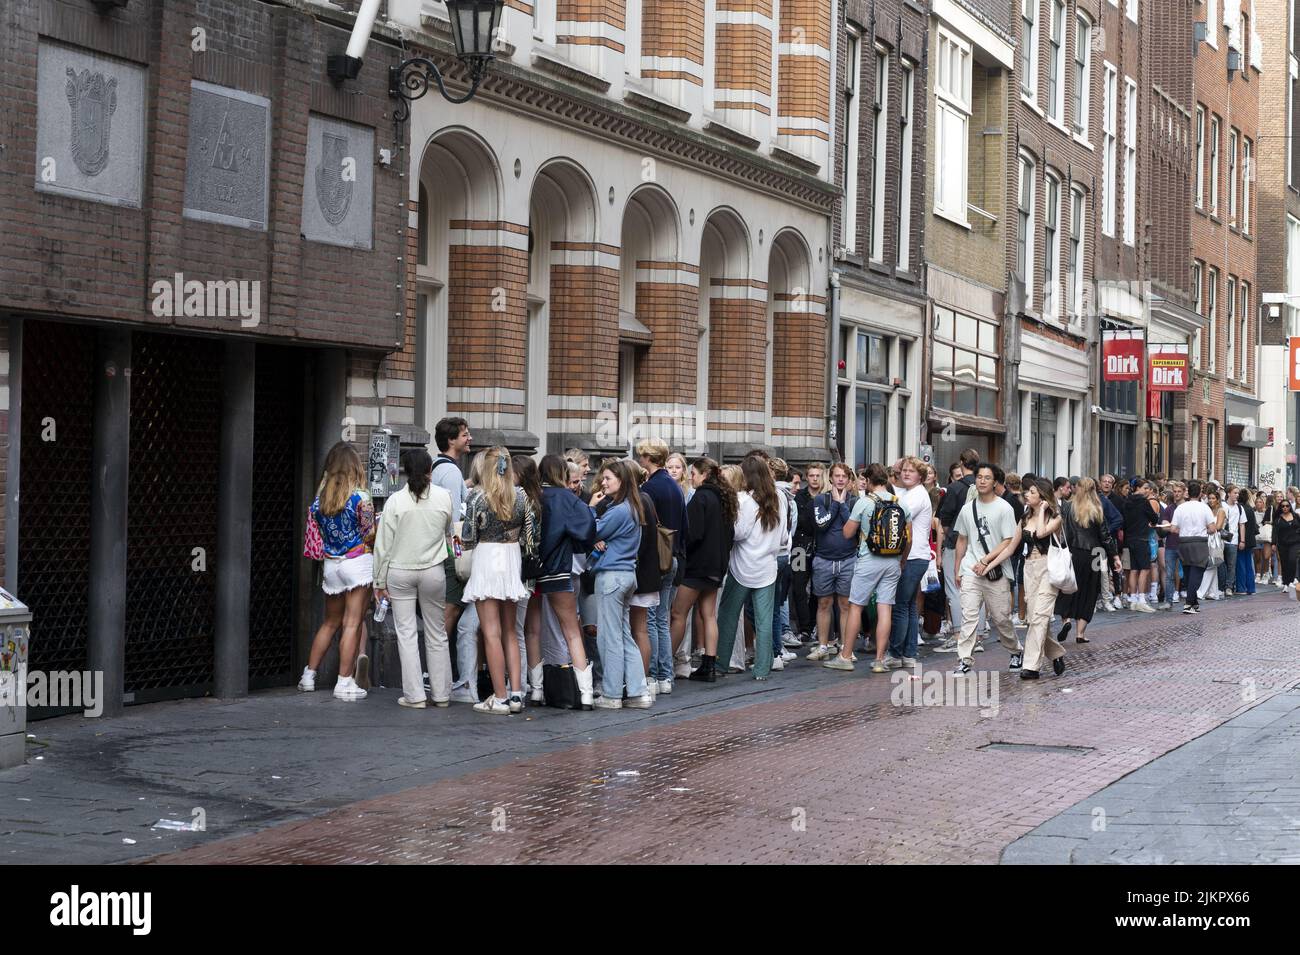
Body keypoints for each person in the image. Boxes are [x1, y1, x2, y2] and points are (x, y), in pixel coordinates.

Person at [373, 448, 455, 708]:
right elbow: (449, 532)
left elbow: (383, 545)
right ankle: (441, 694)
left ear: (405, 471)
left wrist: (379, 581)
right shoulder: (444, 497)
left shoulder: (395, 501)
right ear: (430, 469)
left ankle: (414, 695)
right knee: (437, 632)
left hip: (400, 570)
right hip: (433, 570)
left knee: (406, 633)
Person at [462, 447, 536, 715]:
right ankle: (516, 694)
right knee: (510, 631)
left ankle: (500, 697)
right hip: (511, 559)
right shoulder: (521, 495)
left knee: (490, 633)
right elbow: (531, 536)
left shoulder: (477, 496)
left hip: (487, 558)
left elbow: (468, 537)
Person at [301, 442, 376, 701]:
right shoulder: (361, 498)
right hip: (357, 562)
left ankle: (308, 676)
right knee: (352, 623)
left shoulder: (319, 500)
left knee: (330, 622)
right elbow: (369, 534)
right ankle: (344, 681)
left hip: (331, 565)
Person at [824, 463, 908, 673]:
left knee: (856, 606)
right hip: (892, 560)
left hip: (869, 559)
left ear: (869, 481)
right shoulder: (900, 503)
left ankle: (845, 657)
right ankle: (880, 660)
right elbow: (909, 539)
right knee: (885, 608)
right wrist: (902, 561)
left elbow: (847, 533)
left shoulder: (864, 502)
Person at [528, 454, 597, 708]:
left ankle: (537, 691)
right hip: (558, 569)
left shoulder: (531, 495)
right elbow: (587, 529)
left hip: (532, 571)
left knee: (532, 630)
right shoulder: (567, 498)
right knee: (571, 631)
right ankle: (585, 693)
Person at [588, 459, 653, 709]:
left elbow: (590, 530)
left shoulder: (618, 510)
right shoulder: (632, 507)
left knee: (610, 637)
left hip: (612, 577)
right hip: (627, 575)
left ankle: (612, 694)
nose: (603, 483)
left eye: (608, 479)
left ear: (622, 481)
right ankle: (638, 692)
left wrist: (591, 508)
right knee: (624, 636)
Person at [713, 457, 784, 681]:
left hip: (743, 566)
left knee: (728, 615)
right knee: (764, 621)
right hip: (767, 566)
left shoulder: (745, 500)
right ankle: (762, 668)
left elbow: (739, 533)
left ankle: (721, 662)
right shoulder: (779, 498)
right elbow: (784, 536)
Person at [950, 462, 1022, 675]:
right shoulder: (967, 509)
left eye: (987, 478)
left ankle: (1015, 651)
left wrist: (986, 561)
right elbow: (962, 539)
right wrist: (958, 568)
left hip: (996, 571)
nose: (982, 481)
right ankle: (964, 659)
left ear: (995, 482)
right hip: (971, 569)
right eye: (979, 477)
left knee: (1001, 618)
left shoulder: (1004, 508)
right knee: (969, 616)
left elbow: (1008, 541)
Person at [670, 458, 736, 682]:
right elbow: (730, 535)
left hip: (697, 567)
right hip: (717, 566)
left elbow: (692, 534)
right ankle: (709, 665)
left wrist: (681, 549)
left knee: (678, 614)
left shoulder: (701, 497)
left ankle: (663, 664)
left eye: (694, 473)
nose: (691, 477)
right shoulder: (725, 498)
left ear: (704, 475)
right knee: (708, 615)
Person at [638, 439, 687, 694]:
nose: (640, 459)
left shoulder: (649, 487)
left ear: (648, 458)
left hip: (655, 558)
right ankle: (666, 676)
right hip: (673, 557)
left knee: (651, 619)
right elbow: (685, 526)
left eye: (641, 456)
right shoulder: (676, 487)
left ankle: (655, 675)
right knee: (662, 618)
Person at [432, 417, 471, 695]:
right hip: (450, 549)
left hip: (437, 546)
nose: (469, 438)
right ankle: (437, 671)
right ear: (451, 440)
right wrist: (458, 555)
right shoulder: (452, 472)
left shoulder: (438, 468)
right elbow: (455, 520)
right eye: (465, 435)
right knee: (452, 608)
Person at [1055, 478, 1121, 644]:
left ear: (1077, 488)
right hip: (1094, 554)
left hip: (1073, 553)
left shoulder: (1068, 507)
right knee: (1090, 591)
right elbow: (1105, 536)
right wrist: (1114, 556)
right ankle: (1080, 633)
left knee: (1068, 588)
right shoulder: (1097, 508)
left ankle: (1066, 620)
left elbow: (1063, 532)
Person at [807, 462, 858, 661]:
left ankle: (845, 647)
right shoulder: (821, 499)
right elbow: (821, 524)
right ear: (830, 478)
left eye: (844, 476)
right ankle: (823, 645)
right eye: (837, 476)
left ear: (849, 479)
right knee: (824, 603)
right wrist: (836, 503)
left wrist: (842, 504)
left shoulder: (854, 501)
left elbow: (852, 525)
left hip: (848, 559)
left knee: (845, 604)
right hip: (824, 559)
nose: (840, 479)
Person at [886, 456, 932, 668]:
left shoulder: (917, 495)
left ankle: (896, 654)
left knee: (901, 606)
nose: (905, 473)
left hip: (913, 557)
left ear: (920, 476)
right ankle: (909, 654)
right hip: (916, 555)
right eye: (903, 470)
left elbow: (897, 515)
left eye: (911, 471)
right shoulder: (909, 492)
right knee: (910, 606)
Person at [1018, 478, 1065, 679]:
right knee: (1034, 619)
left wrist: (1044, 510)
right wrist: (988, 563)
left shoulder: (1056, 517)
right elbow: (1012, 546)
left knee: (1039, 618)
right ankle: (1056, 653)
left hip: (1048, 568)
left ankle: (1031, 666)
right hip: (1029, 569)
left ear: (1043, 497)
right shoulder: (1024, 517)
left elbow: (1040, 533)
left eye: (1032, 492)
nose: (1027, 495)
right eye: (1027, 492)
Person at [934, 448, 980, 646]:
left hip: (955, 542)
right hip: (978, 544)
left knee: (954, 588)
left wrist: (949, 533)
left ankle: (959, 634)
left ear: (962, 462)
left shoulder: (954, 489)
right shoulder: (983, 486)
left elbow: (944, 519)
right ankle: (977, 636)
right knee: (977, 589)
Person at [627, 461, 665, 695]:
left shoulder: (634, 501)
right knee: (641, 629)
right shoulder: (646, 499)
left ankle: (639, 678)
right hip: (649, 574)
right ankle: (645, 677)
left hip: (639, 574)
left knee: (636, 629)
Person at [1170, 480, 1214, 614]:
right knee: (1198, 571)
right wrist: (1204, 530)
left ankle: (1194, 603)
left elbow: (1173, 529)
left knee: (1188, 572)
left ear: (1187, 493)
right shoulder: (1204, 508)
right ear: (1200, 493)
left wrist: (1184, 530)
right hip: (1199, 542)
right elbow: (1212, 528)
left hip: (1183, 542)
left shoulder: (1180, 508)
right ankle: (1188, 603)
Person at [1122, 480, 1159, 612]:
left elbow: (1123, 520)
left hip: (1129, 539)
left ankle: (1133, 599)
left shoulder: (1126, 501)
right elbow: (1154, 518)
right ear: (1138, 488)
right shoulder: (1144, 502)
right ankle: (1142, 599)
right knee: (1144, 569)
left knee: (1133, 569)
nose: (1147, 490)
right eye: (1145, 488)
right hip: (1141, 539)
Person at [1235, 488, 1258, 596]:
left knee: (1240, 564)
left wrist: (1241, 540)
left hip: (1241, 540)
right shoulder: (1250, 509)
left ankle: (1241, 588)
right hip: (1250, 540)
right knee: (1248, 564)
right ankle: (1251, 588)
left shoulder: (1238, 508)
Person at [1273, 497, 1300, 587]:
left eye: (1287, 506)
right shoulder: (1278, 519)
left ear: (1290, 507)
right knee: (1284, 563)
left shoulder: (1296, 516)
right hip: (1282, 544)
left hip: (1295, 542)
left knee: (1292, 560)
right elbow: (1274, 532)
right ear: (1280, 507)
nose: (1285, 508)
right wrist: (1273, 543)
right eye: (1283, 506)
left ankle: (1291, 580)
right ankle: (1286, 583)